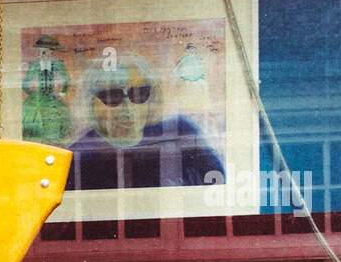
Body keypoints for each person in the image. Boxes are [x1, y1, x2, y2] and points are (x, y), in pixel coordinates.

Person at [66, 51, 225, 193]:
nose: (128, 109)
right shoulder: (77, 158)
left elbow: (217, 188)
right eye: (112, 96)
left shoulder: (181, 133)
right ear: (90, 102)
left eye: (139, 94)